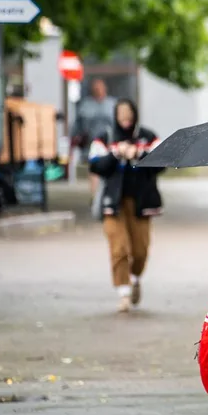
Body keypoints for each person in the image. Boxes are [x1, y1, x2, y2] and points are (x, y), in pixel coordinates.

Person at [88, 99, 162, 313]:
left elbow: (162, 164)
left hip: (141, 202)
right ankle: (124, 293)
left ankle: (135, 278)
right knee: (118, 247)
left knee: (140, 250)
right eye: (121, 113)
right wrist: (116, 154)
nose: (125, 117)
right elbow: (95, 165)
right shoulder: (106, 138)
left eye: (128, 112)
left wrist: (138, 155)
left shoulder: (148, 137)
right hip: (113, 203)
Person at [72, 78, 116, 199]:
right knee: (94, 168)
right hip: (92, 143)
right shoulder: (86, 105)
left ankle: (109, 194)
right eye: (95, 88)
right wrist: (74, 138)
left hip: (109, 143)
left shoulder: (112, 104)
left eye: (100, 88)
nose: (98, 90)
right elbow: (78, 124)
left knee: (110, 167)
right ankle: (95, 196)